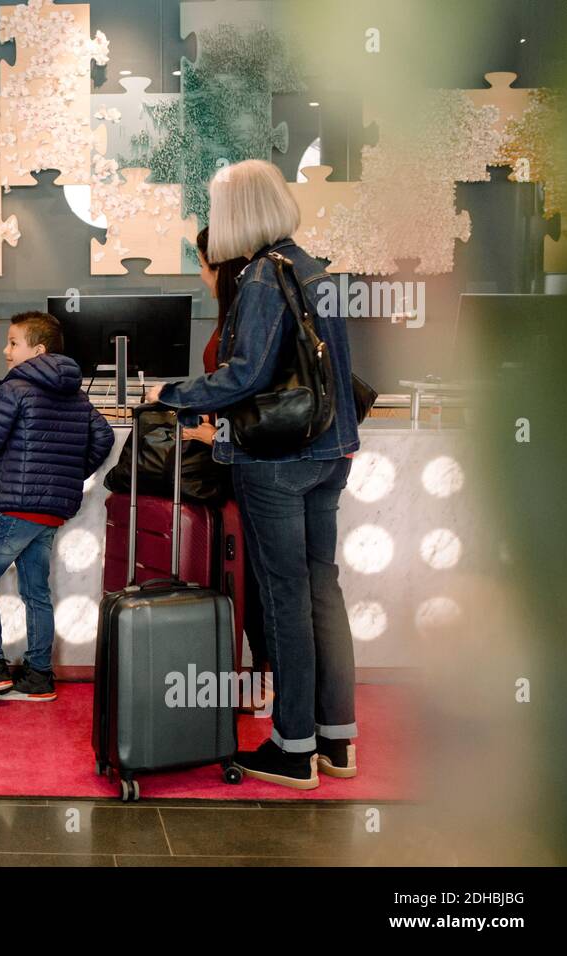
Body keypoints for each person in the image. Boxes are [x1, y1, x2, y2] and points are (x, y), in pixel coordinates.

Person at [144, 159, 360, 790]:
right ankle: (336, 740)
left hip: (277, 461)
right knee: (324, 591)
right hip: (329, 454)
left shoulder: (264, 277)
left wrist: (172, 392)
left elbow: (245, 374)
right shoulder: (317, 268)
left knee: (285, 598)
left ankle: (293, 746)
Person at [0, 312, 115, 702]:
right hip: (51, 512)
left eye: (13, 342)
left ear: (38, 350)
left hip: (16, 506)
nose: (5, 351)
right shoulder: (76, 392)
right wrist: (66, 474)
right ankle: (38, 675)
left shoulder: (15, 388)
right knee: (36, 590)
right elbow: (103, 437)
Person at [192, 228, 268, 683]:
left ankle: (270, 680)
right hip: (240, 466)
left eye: (204, 265)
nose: (202, 276)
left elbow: (250, 403)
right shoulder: (239, 319)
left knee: (261, 583)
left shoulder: (244, 325)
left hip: (250, 467)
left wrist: (212, 436)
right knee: (256, 579)